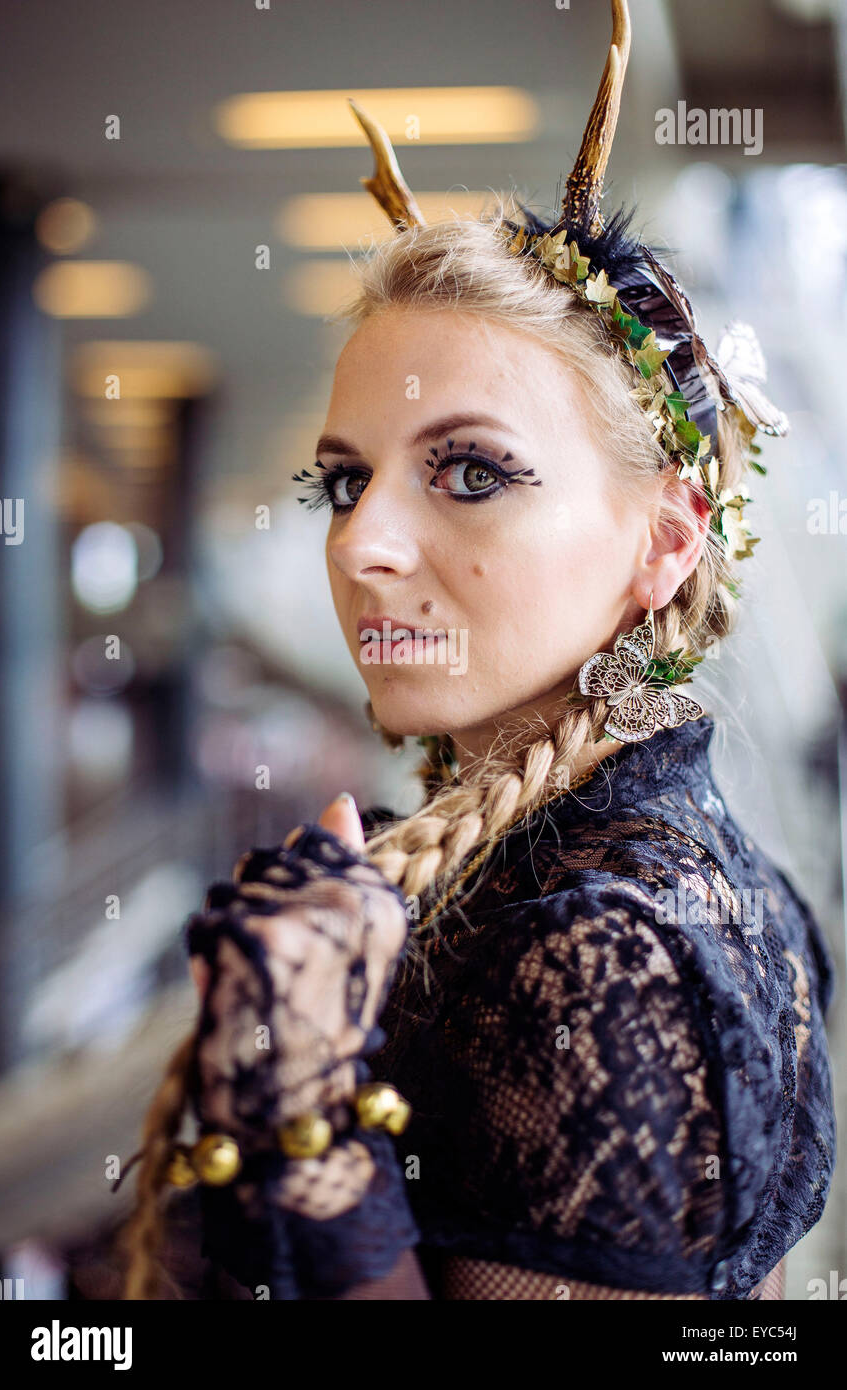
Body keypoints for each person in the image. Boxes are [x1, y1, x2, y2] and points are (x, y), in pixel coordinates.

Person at [111, 0, 836, 1301]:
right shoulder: (636, 860)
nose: (360, 545)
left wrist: (296, 1112)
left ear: (662, 540)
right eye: (344, 482)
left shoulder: (592, 945)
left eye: (468, 469)